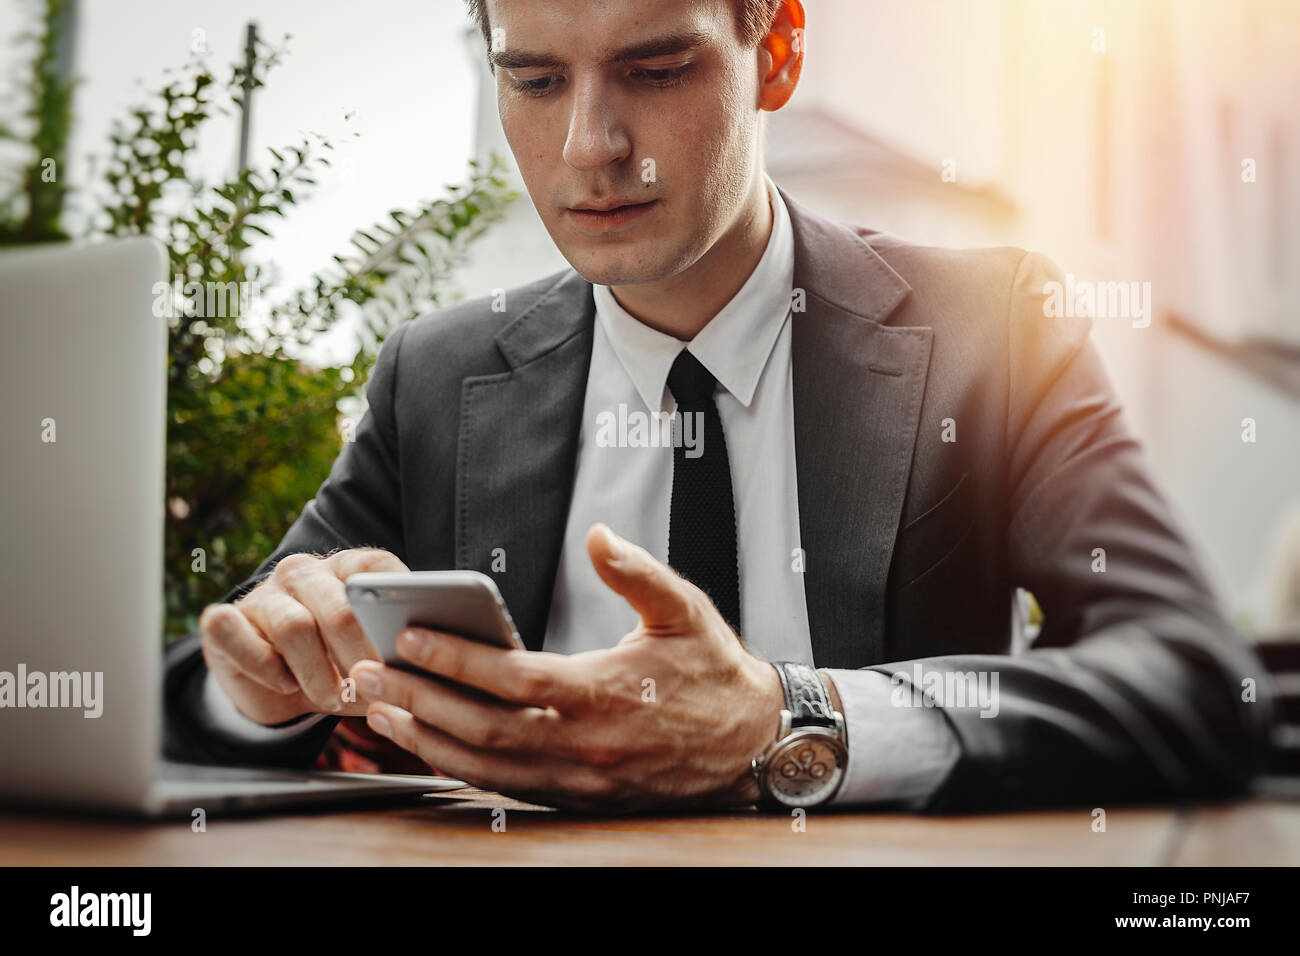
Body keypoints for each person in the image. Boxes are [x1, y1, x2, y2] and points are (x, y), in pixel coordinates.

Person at [163, 0, 1275, 813]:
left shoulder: (994, 328)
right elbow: (201, 686)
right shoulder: (438, 373)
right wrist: (262, 681)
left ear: (776, 48)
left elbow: (1189, 674)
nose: (588, 146)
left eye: (655, 68)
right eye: (536, 80)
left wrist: (792, 719)